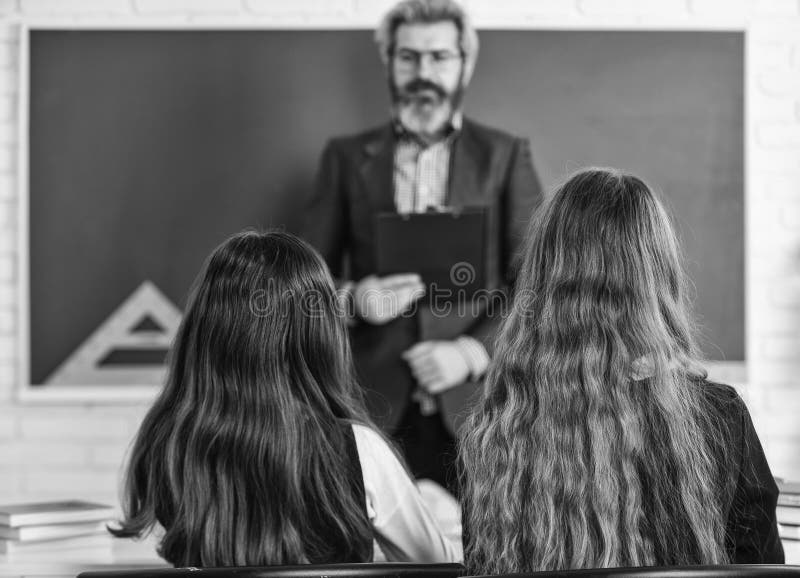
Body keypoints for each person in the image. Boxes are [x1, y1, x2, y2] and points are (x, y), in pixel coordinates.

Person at [459, 168, 784, 573]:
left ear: (540, 279)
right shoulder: (719, 417)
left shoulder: (496, 429)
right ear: (658, 276)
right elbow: (761, 568)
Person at [109, 231, 461, 567]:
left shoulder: (167, 441)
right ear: (320, 336)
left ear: (202, 332)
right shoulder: (358, 448)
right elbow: (439, 566)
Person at [304, 0, 542, 494]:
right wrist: (353, 299)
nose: (423, 72)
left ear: (465, 63)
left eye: (439, 57)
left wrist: (472, 351)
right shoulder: (346, 158)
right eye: (409, 57)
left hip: (480, 402)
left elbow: (539, 281)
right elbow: (303, 278)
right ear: (388, 61)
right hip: (369, 405)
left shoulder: (505, 155)